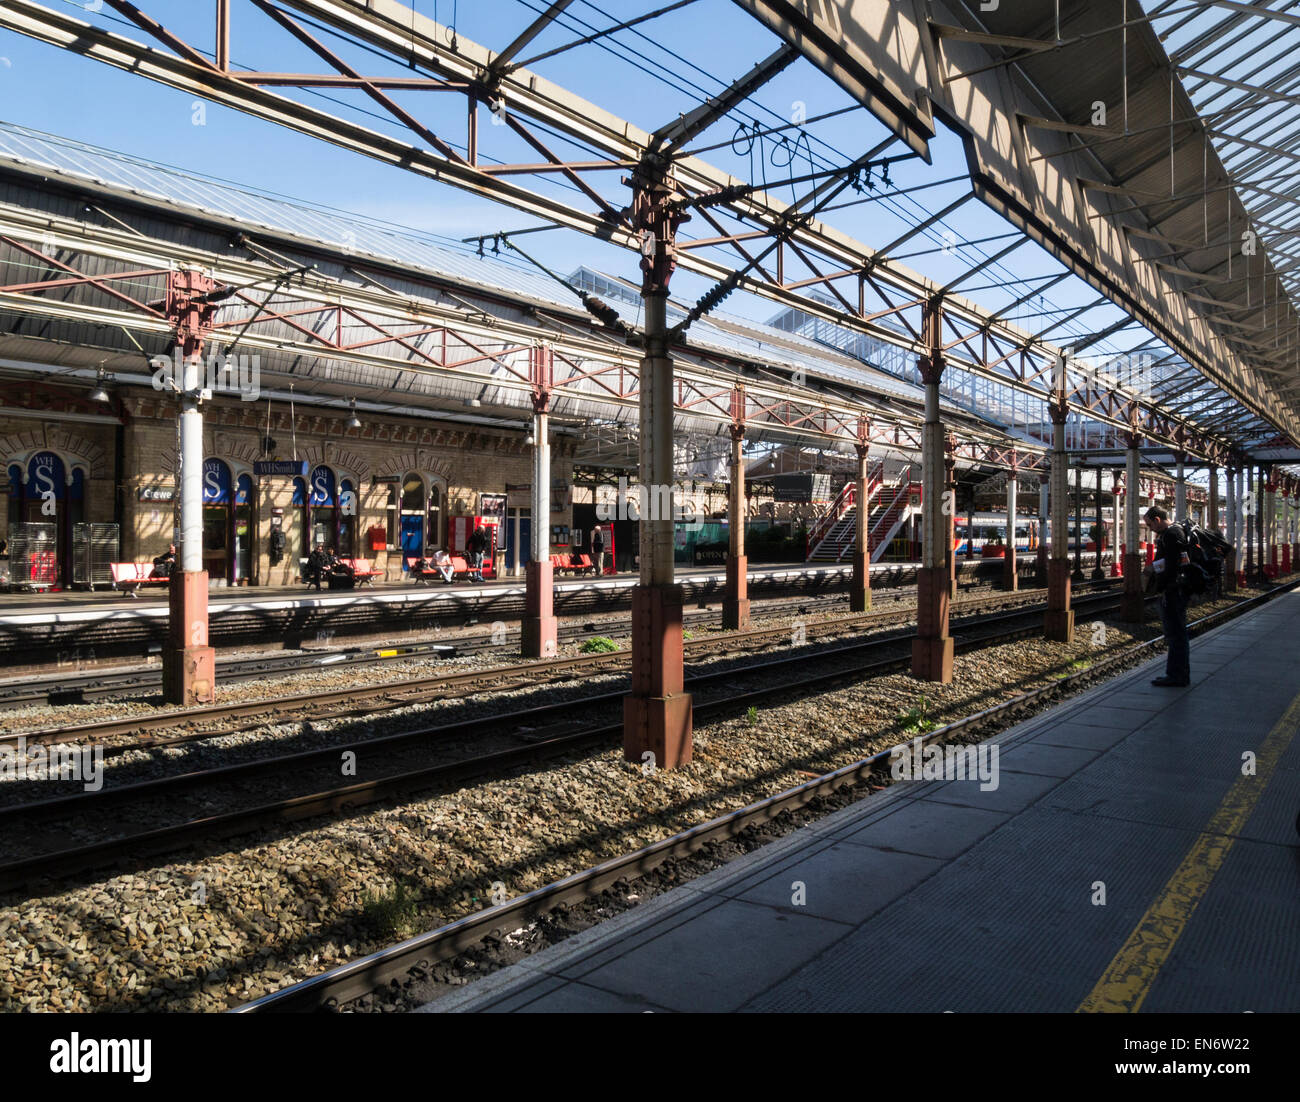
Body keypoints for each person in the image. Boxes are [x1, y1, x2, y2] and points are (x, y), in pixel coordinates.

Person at [1144, 506, 1190, 687]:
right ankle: (1175, 673)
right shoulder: (1175, 531)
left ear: (1157, 519)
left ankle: (1177, 675)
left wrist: (1152, 568)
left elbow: (1173, 563)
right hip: (1175, 589)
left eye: (1149, 525)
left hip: (1174, 590)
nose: (1150, 529)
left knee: (1176, 634)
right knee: (1175, 634)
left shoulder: (1172, 535)